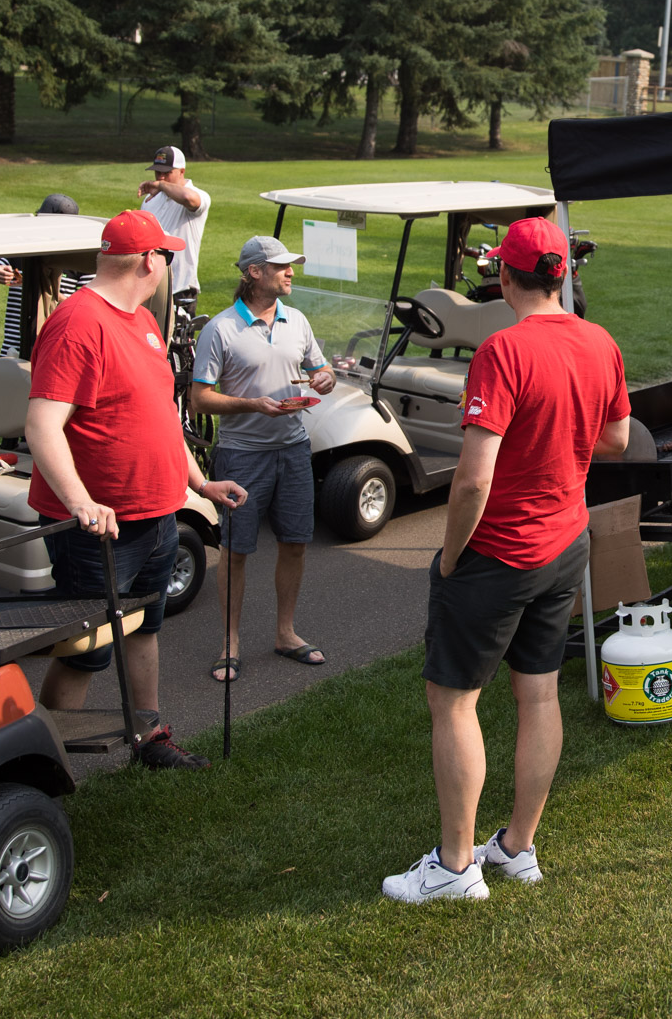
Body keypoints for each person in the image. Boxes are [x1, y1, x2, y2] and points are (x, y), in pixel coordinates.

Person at [383, 216, 630, 903]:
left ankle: (457, 867)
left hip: (501, 550)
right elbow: (615, 436)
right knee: (539, 692)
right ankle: (517, 847)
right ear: (563, 275)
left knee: (453, 701)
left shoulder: (503, 350)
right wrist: (563, 436)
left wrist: (451, 556)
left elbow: (471, 479)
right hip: (563, 545)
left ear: (505, 278)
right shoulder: (599, 340)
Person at [26, 208, 247, 771]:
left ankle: (149, 738)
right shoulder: (79, 324)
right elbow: (42, 425)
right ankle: (35, 765)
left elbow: (162, 417)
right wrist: (82, 505)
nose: (168, 264)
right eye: (166, 255)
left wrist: (199, 481)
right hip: (101, 527)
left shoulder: (144, 321)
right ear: (149, 261)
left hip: (158, 514)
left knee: (145, 627)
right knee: (86, 650)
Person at [190, 236, 337, 683]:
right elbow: (199, 399)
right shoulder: (221, 329)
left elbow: (319, 368)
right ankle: (230, 644)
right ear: (253, 272)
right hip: (241, 456)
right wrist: (252, 404)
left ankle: (286, 633)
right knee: (236, 551)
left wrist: (325, 377)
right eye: (281, 266)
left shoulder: (297, 320)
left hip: (293, 450)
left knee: (294, 542)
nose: (290, 272)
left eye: (291, 265)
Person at [0, 193, 92, 358]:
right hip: (12, 351)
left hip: (54, 350)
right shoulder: (19, 252)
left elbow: (86, 310)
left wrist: (46, 289)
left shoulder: (79, 262)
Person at [139, 146, 211, 300]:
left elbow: (188, 198)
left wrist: (160, 186)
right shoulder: (150, 200)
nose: (161, 177)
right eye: (158, 172)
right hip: (150, 285)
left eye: (167, 173)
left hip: (180, 287)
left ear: (182, 171)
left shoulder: (199, 195)